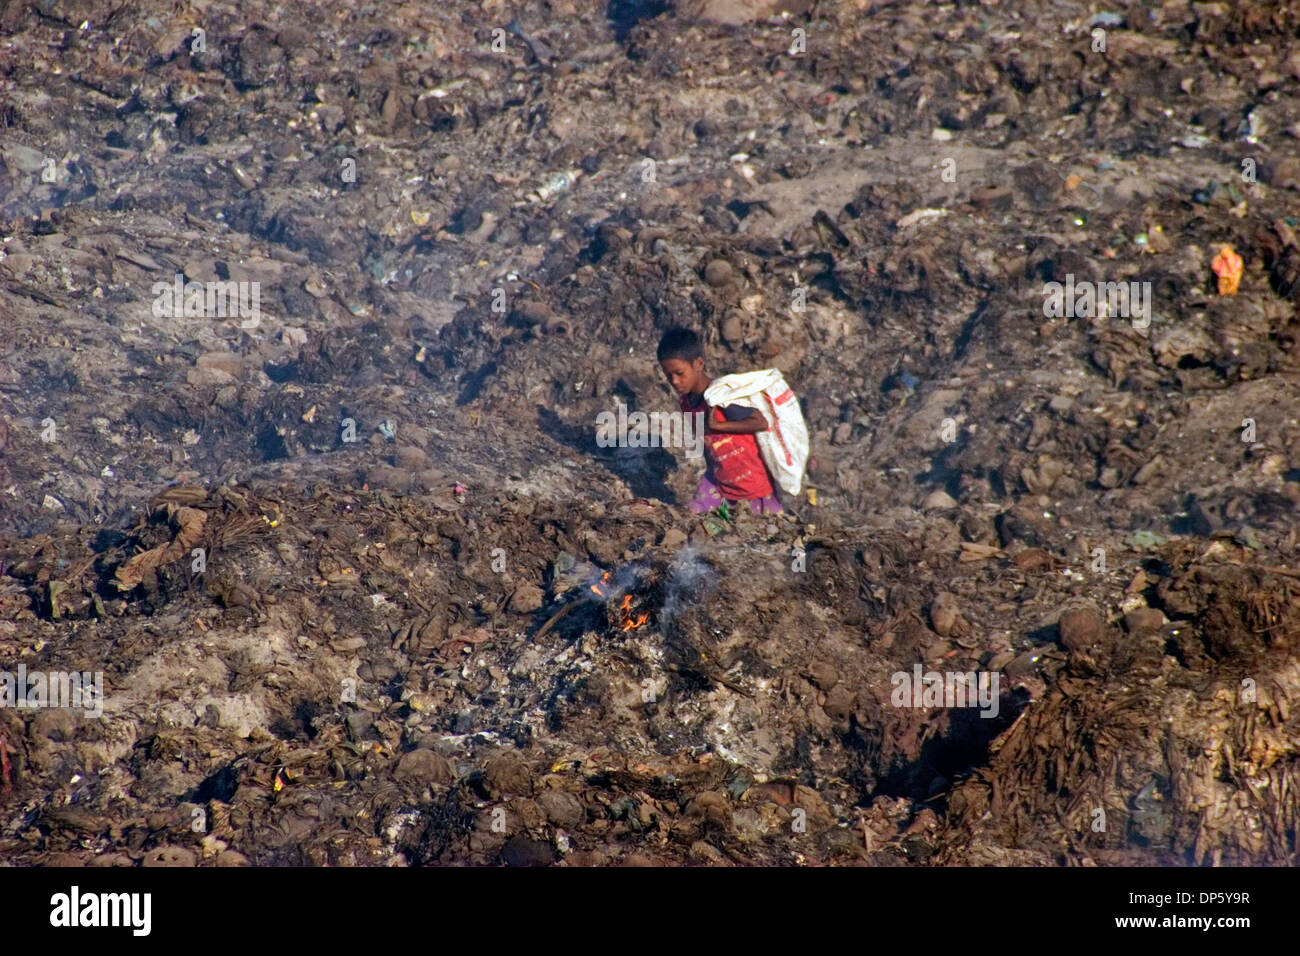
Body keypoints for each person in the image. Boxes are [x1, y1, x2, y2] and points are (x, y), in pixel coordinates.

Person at [657, 327, 783, 516]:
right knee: (695, 524)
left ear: (698, 364)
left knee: (760, 534)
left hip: (752, 485)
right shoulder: (686, 402)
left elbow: (760, 422)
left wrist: (719, 426)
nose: (674, 381)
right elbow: (706, 442)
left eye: (679, 373)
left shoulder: (719, 396)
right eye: (669, 376)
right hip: (719, 482)